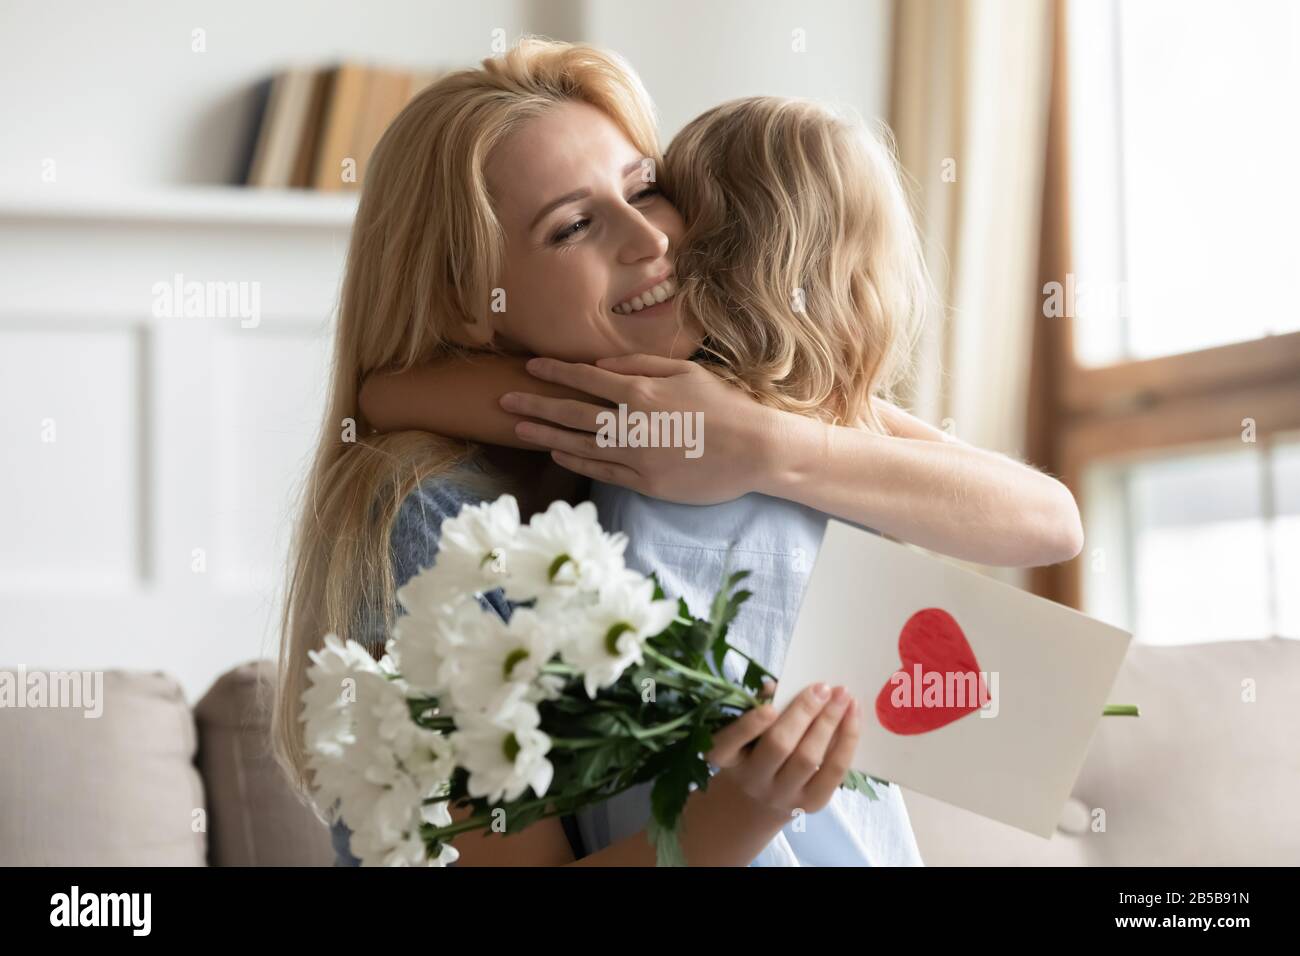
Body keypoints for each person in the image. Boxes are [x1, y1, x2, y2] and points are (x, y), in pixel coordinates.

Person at [273, 38, 1083, 867]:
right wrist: (742, 811)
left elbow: (1047, 521)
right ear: (467, 297)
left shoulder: (724, 394)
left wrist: (762, 447)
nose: (648, 241)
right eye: (574, 226)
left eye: (645, 190)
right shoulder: (428, 510)